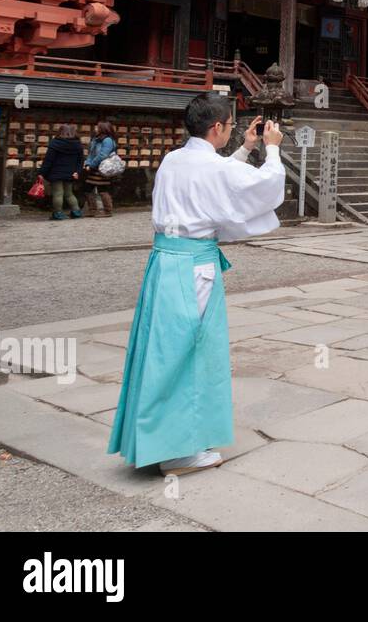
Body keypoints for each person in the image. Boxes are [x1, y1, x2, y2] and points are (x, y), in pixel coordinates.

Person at [108, 97, 284, 476]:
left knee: (161, 351)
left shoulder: (175, 159)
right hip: (193, 270)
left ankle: (158, 438)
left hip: (164, 263)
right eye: (230, 126)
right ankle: (177, 451)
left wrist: (245, 148)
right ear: (217, 127)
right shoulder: (211, 167)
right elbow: (264, 187)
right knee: (188, 354)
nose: (232, 130)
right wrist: (271, 149)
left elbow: (216, 179)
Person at [40, 123, 85, 220]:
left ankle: (58, 213)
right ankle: (76, 212)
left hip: (56, 173)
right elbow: (80, 161)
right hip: (70, 173)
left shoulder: (55, 143)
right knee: (69, 193)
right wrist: (77, 171)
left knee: (58, 193)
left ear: (60, 131)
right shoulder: (77, 144)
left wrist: (41, 173)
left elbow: (48, 160)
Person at [82, 120, 118, 218]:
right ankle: (92, 210)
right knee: (87, 188)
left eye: (97, 127)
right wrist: (88, 164)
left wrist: (92, 165)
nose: (95, 129)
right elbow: (91, 153)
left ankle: (108, 211)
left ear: (103, 129)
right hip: (94, 167)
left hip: (102, 168)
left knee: (102, 189)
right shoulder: (96, 139)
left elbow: (103, 155)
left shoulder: (107, 140)